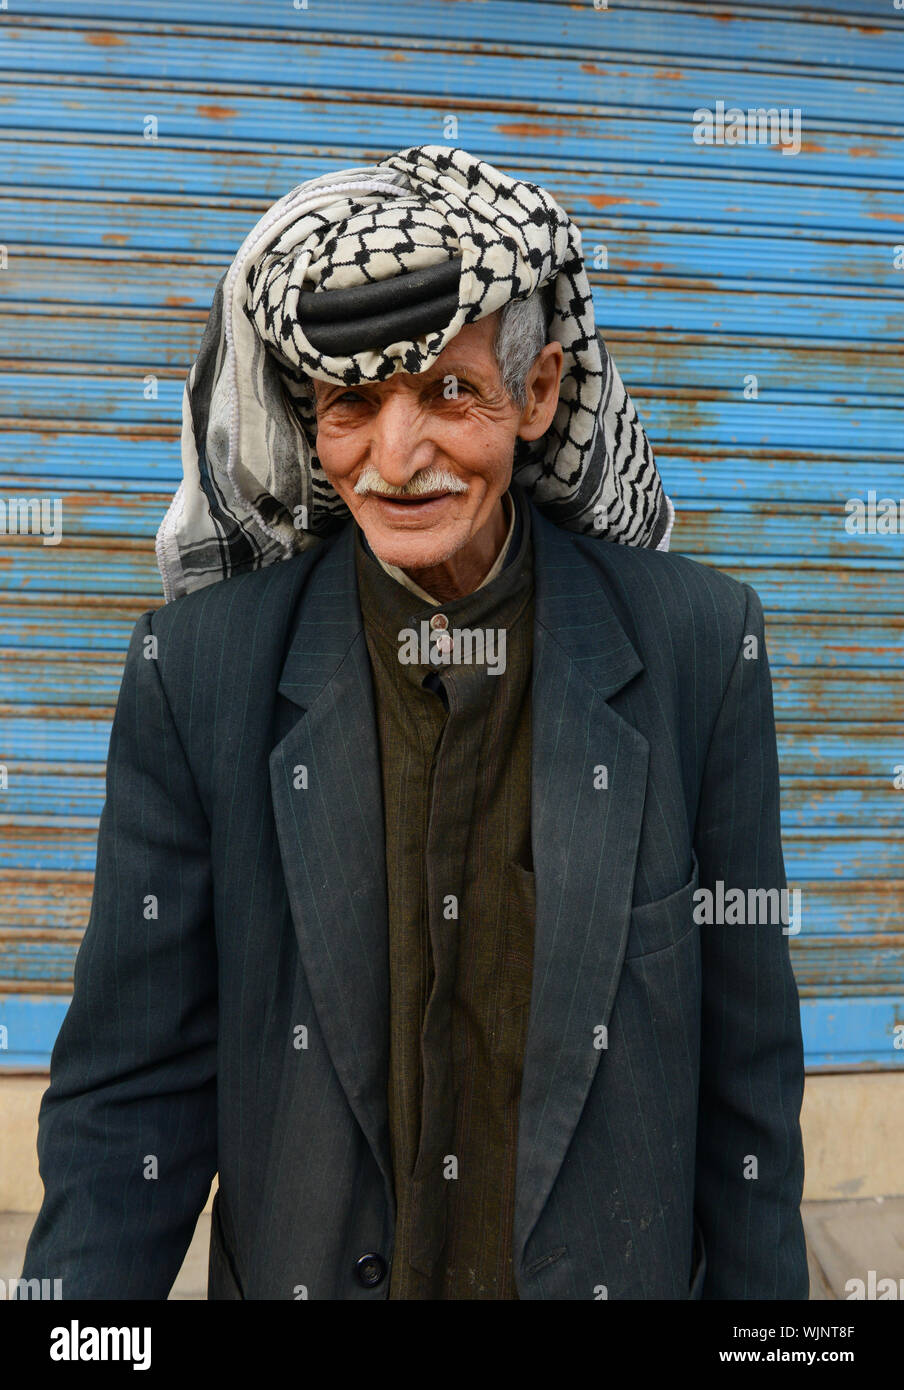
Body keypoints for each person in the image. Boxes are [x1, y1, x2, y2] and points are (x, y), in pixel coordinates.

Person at [22, 145, 807, 1300]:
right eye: (354, 403)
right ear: (311, 419)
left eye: (448, 390)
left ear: (537, 394)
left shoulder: (698, 651)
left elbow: (746, 1088)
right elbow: (128, 1103)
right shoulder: (201, 679)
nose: (398, 459)